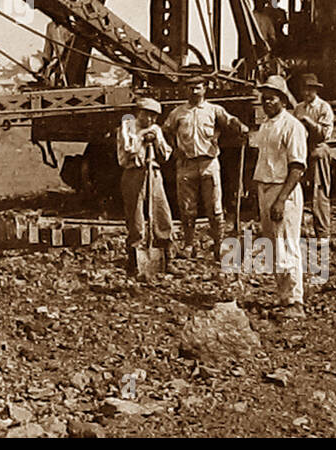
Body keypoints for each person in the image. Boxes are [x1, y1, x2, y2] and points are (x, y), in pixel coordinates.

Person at [162, 77, 248, 262]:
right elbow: (166, 130)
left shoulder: (214, 110)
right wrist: (174, 149)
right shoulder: (178, 113)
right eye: (191, 88)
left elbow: (230, 121)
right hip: (186, 165)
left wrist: (240, 127)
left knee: (215, 207)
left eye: (198, 88)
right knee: (187, 208)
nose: (194, 91)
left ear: (205, 89)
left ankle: (219, 246)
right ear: (186, 89)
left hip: (209, 163)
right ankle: (189, 245)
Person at [249, 75, 308, 318]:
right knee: (274, 246)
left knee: (288, 244)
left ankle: (295, 300)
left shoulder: (292, 126)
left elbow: (297, 166)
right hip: (265, 187)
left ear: (283, 100)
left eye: (272, 99)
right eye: (264, 99)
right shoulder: (266, 125)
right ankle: (283, 296)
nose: (267, 103)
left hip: (284, 189)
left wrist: (281, 199)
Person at [116, 97, 174, 274]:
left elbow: (166, 155)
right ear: (138, 113)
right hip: (133, 172)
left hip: (153, 173)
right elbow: (128, 149)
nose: (149, 120)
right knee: (135, 217)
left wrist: (156, 140)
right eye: (146, 115)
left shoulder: (155, 129)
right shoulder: (127, 126)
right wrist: (142, 137)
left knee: (162, 213)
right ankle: (134, 258)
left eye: (154, 117)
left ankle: (167, 257)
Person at [292, 73, 334, 246]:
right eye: (304, 89)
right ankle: (299, 229)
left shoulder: (324, 108)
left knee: (319, 192)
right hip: (303, 150)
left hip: (318, 150)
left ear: (316, 90)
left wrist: (309, 122)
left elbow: (324, 134)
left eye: (310, 89)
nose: (307, 93)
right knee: (297, 190)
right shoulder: (299, 108)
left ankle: (323, 234)